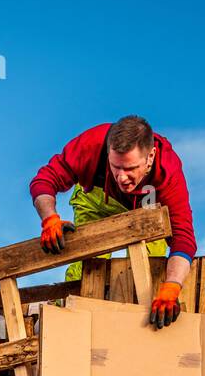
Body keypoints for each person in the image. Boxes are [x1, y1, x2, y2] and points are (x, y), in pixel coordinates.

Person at [30, 115, 195, 328]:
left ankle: (142, 322)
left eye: (130, 168)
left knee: (150, 264)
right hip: (96, 201)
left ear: (150, 157)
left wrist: (172, 286)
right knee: (87, 260)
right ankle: (66, 313)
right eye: (116, 167)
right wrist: (49, 219)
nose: (122, 177)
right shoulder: (91, 144)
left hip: (146, 210)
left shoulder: (167, 172)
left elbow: (183, 237)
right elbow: (45, 179)